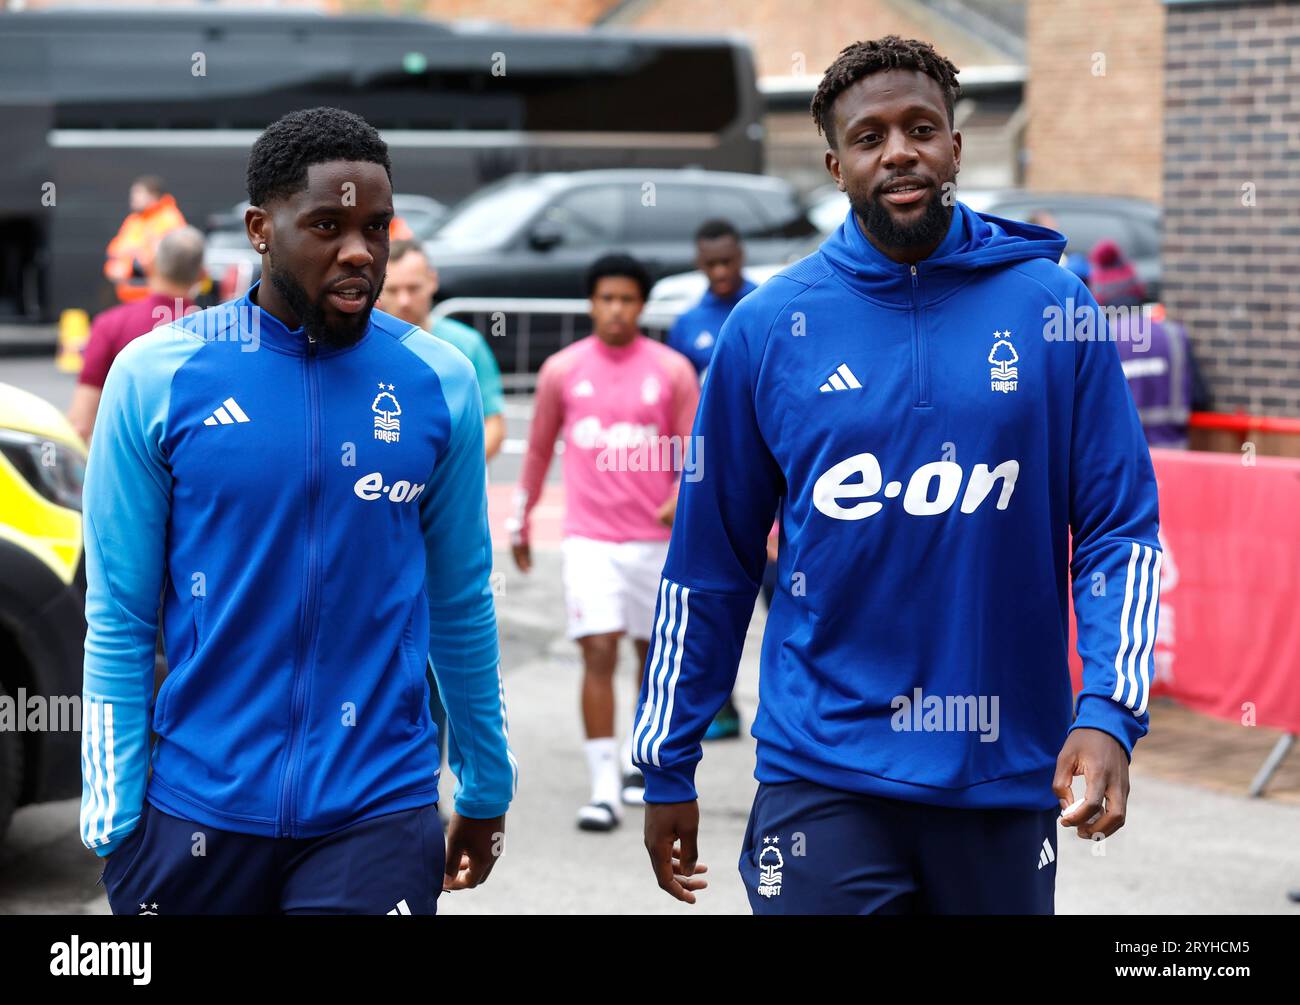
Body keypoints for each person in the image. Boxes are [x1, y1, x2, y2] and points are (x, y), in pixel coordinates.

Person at [634, 36, 1162, 914]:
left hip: (1001, 774)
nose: (900, 151)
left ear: (956, 145)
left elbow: (1117, 528)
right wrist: (668, 759)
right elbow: (709, 566)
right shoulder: (768, 329)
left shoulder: (1053, 306)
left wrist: (1107, 707)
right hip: (822, 770)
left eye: (921, 127)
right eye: (870, 137)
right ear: (838, 164)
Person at [80, 106, 515, 915]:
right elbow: (120, 615)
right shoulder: (156, 376)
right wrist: (113, 820)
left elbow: (460, 600)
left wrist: (486, 782)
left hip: (375, 814)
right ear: (259, 229)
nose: (359, 250)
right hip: (196, 815)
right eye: (327, 224)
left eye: (377, 226)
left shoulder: (438, 380)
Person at [507, 254, 699, 832]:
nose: (616, 309)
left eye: (627, 299)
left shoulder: (671, 370)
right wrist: (521, 517)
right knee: (597, 651)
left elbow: (698, 449)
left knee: (651, 657)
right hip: (590, 540)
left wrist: (680, 496)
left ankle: (639, 762)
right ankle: (602, 788)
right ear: (592, 303)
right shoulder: (563, 370)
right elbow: (538, 449)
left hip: (655, 543)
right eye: (606, 298)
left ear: (642, 306)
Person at [666, 218, 759, 741]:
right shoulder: (688, 323)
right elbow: (676, 400)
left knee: (779, 592)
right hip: (707, 472)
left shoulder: (766, 307)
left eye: (729, 262)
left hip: (760, 470)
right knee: (710, 594)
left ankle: (787, 706)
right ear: (701, 262)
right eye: (711, 264)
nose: (721, 272)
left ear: (740, 255)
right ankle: (718, 707)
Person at [69, 226, 205, 442]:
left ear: (150, 265)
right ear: (201, 275)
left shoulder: (110, 325)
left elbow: (80, 424)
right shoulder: (216, 334)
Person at [378, 238, 506, 460]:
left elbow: (493, 423)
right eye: (393, 290)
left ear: (432, 281)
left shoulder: (466, 344)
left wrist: (453, 471)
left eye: (413, 288)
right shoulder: (366, 345)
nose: (404, 300)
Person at [103, 175, 188, 304]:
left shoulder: (169, 219)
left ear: (153, 195)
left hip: (157, 299)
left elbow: (167, 258)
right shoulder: (134, 220)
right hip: (130, 295)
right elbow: (115, 249)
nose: (133, 198)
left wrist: (135, 255)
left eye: (138, 193)